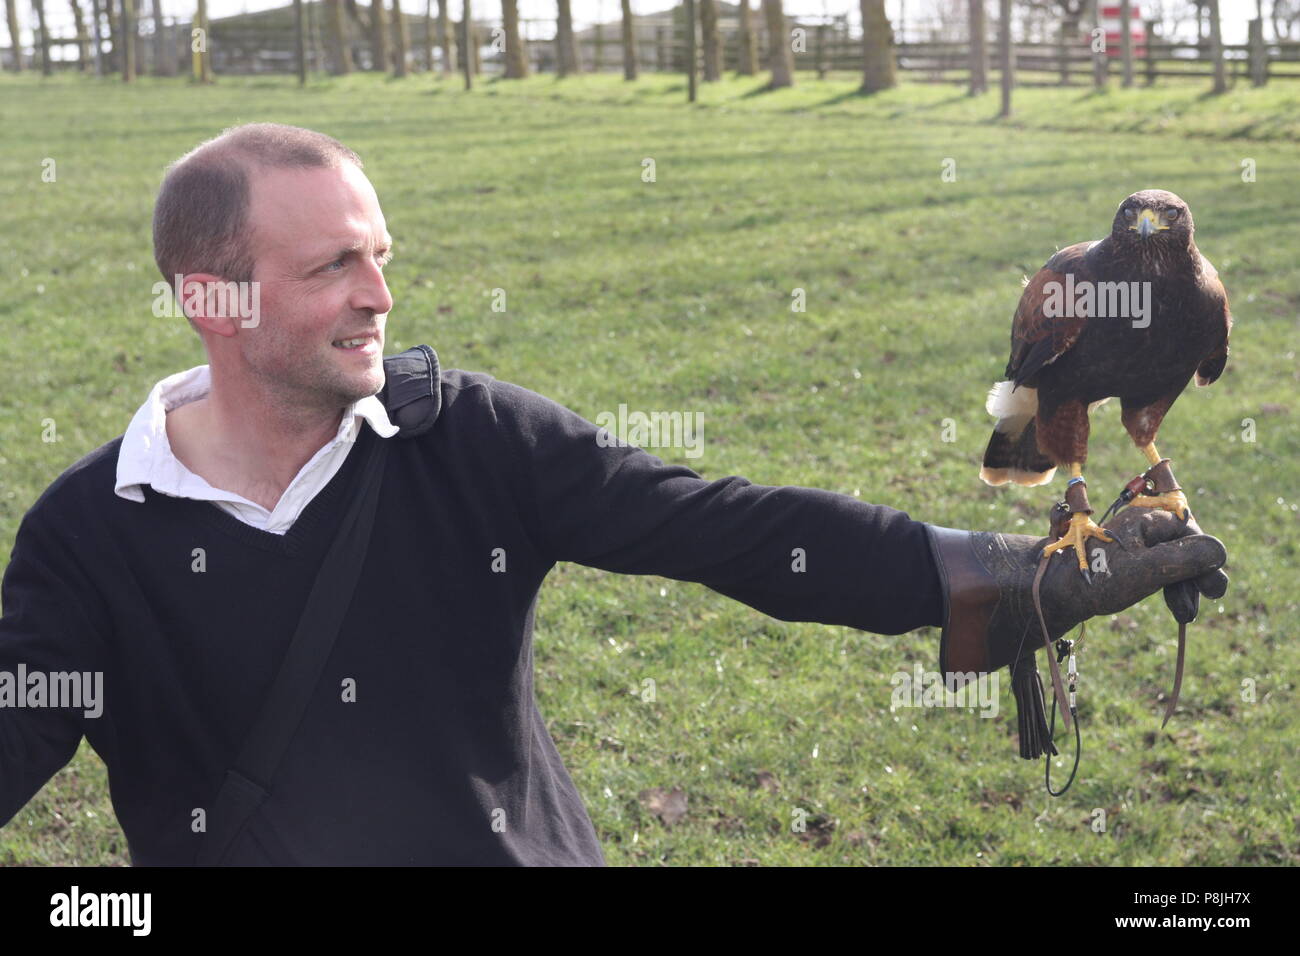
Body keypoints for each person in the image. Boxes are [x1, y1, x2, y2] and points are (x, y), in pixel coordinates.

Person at [0, 124, 1228, 866]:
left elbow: (734, 529)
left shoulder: (470, 440)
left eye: (383, 255)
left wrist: (995, 580)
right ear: (213, 299)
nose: (379, 293)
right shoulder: (89, 533)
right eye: (333, 265)